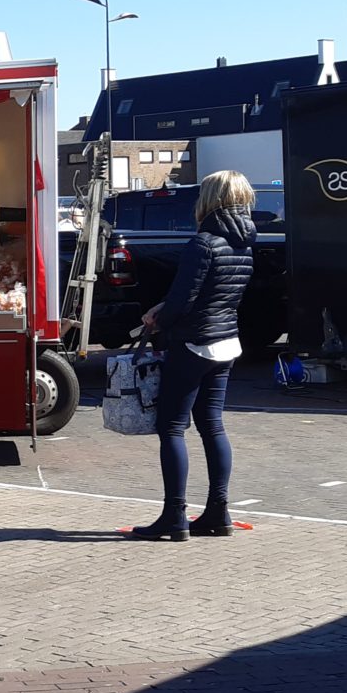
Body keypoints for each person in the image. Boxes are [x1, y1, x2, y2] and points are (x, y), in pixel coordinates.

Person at [125, 170, 256, 541]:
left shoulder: (203, 243)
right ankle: (219, 511)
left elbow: (185, 300)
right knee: (212, 425)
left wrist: (158, 318)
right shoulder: (244, 242)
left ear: (208, 199)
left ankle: (174, 515)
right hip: (226, 341)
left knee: (171, 428)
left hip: (193, 344)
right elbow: (219, 294)